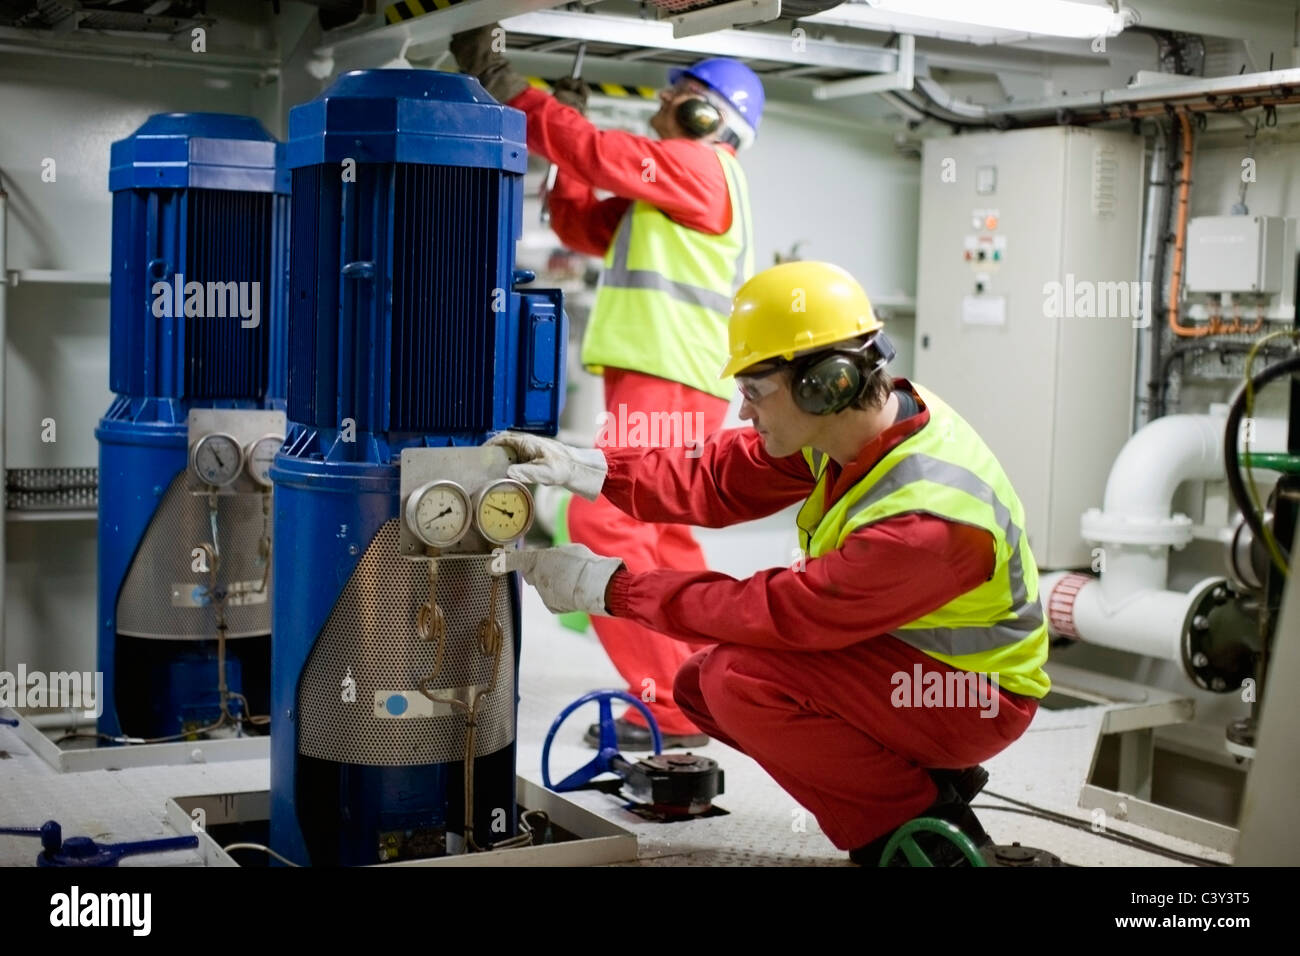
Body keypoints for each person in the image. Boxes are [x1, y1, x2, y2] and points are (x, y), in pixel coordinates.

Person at [488, 261, 1051, 865]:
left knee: (740, 682)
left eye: (755, 391)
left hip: (968, 696)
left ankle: (922, 831)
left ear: (824, 384)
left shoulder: (927, 525)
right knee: (698, 685)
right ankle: (912, 781)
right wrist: (586, 469)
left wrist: (612, 590)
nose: (745, 411)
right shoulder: (853, 431)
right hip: (904, 658)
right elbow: (715, 480)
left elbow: (776, 611)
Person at [451, 25, 765, 750]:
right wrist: (560, 128)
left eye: (679, 93)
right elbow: (584, 222)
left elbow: (598, 150)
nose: (662, 99)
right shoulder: (676, 188)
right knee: (664, 534)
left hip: (667, 373)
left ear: (709, 116)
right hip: (671, 375)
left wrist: (513, 91)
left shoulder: (700, 165)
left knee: (605, 524)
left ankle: (671, 708)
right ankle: (700, 693)